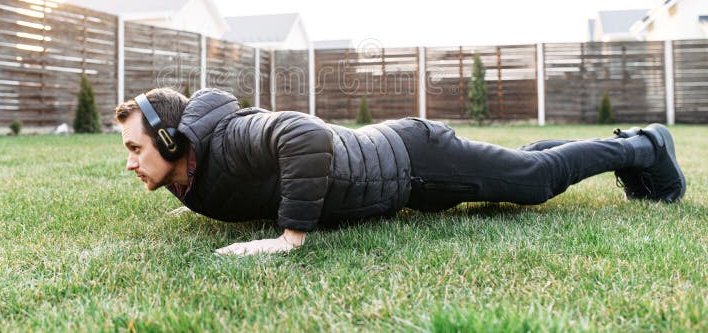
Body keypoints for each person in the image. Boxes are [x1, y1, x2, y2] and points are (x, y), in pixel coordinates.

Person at [117, 87, 687, 256]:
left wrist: (291, 237)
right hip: (405, 170)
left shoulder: (232, 137)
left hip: (415, 164)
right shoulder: (188, 170)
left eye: (136, 148)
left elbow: (305, 134)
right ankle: (604, 150)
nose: (131, 162)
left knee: (534, 184)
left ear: (172, 138)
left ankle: (643, 146)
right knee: (523, 167)